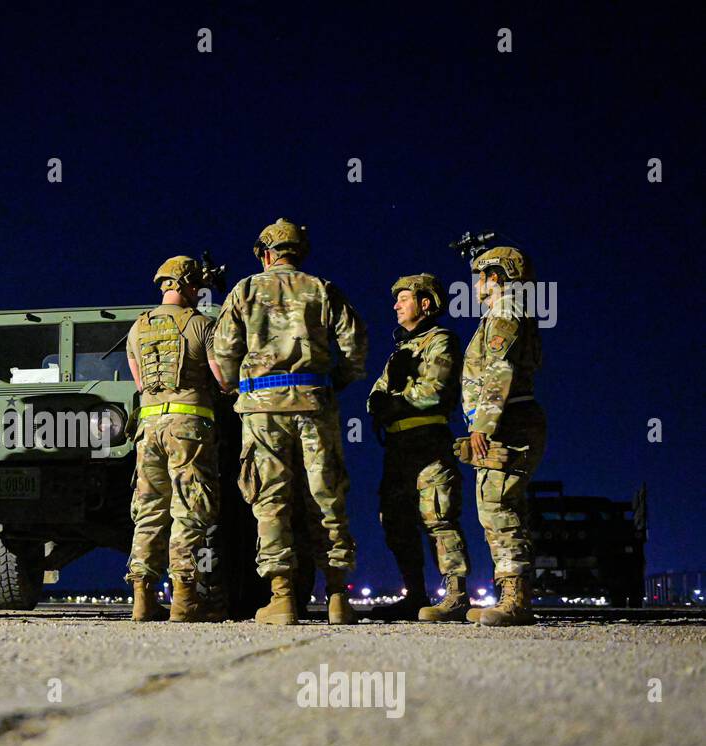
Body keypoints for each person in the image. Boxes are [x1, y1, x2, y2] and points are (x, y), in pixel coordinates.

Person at [214, 219, 368, 625]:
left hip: (263, 410)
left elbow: (224, 353)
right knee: (325, 494)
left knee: (270, 499)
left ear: (266, 253)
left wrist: (239, 385)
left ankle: (281, 598)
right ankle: (337, 597)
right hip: (314, 404)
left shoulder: (245, 290)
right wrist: (331, 382)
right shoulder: (321, 288)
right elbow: (355, 347)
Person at [124, 256, 226, 623]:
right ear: (186, 286)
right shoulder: (201, 325)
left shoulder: (137, 328)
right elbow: (222, 378)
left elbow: (139, 382)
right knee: (188, 509)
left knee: (149, 511)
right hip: (189, 427)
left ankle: (142, 597)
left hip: (148, 427)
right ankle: (184, 598)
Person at [366, 274, 470, 621]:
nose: (396, 305)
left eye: (405, 298)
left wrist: (392, 401)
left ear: (426, 303)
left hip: (427, 443)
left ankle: (456, 595)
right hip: (397, 447)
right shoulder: (402, 350)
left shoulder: (441, 342)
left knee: (438, 516)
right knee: (395, 521)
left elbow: (434, 391)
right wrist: (386, 402)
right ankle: (415, 594)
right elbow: (373, 397)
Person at [461, 245, 546, 626]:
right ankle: (513, 594)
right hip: (511, 417)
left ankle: (515, 598)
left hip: (509, 419)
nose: (477, 283)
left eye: (482, 275)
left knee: (496, 504)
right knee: (505, 503)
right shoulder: (512, 310)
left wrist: (482, 423)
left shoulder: (506, 309)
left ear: (496, 276)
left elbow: (500, 369)